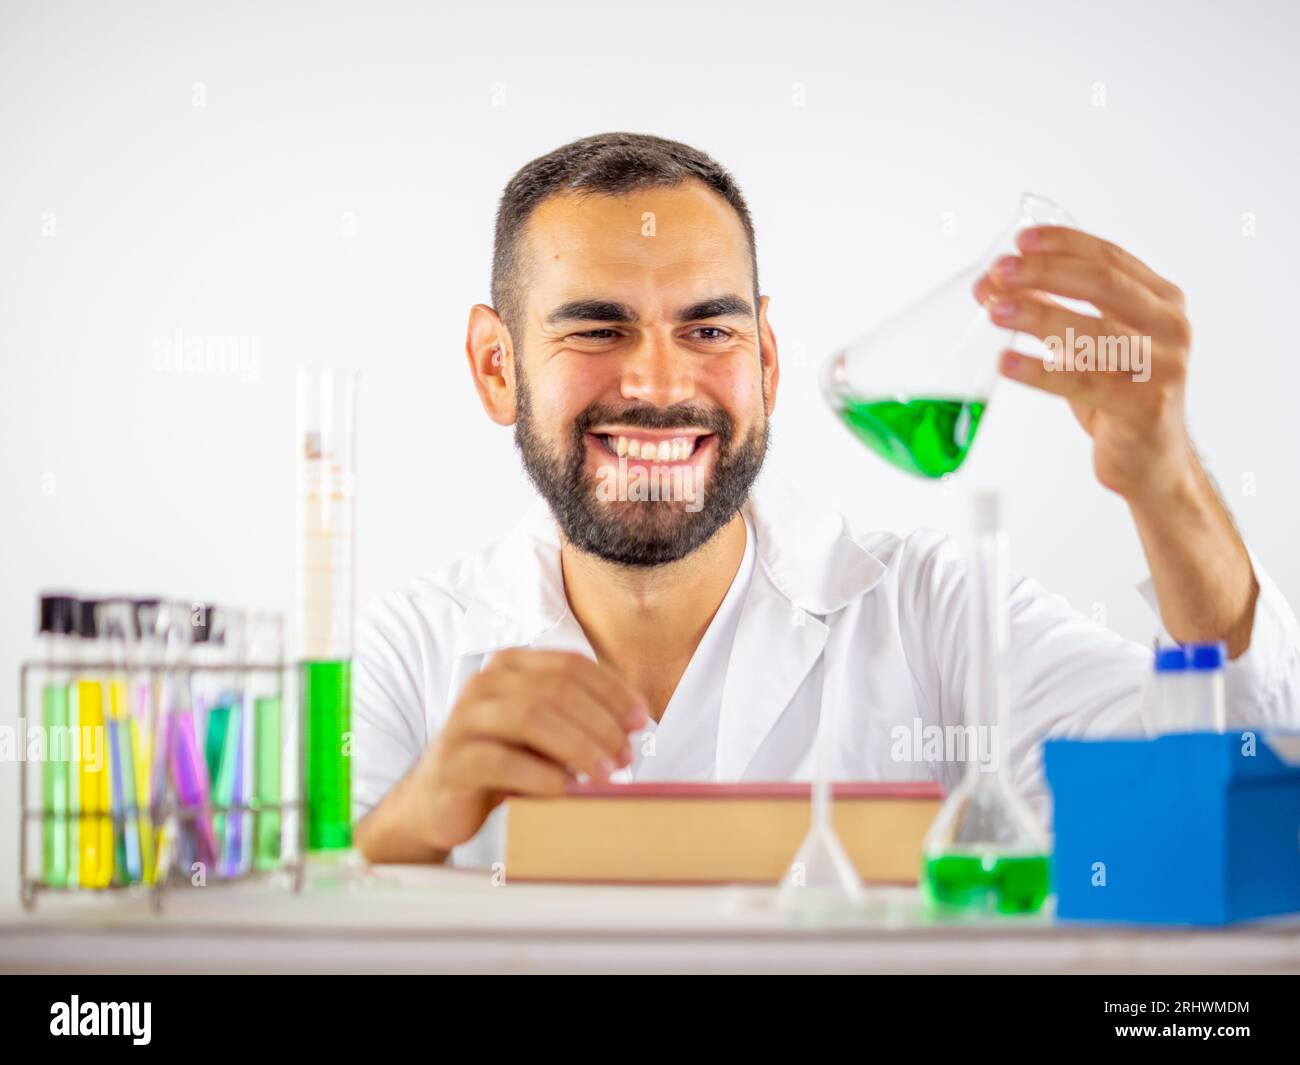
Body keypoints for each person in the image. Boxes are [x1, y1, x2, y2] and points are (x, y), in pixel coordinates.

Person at [352, 132, 1300, 866]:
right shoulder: (406, 658)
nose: (655, 380)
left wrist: (1167, 483)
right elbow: (277, 935)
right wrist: (404, 832)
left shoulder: (935, 614)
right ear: (495, 366)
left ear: (765, 359)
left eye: (709, 328)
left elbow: (1242, 795)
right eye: (597, 327)